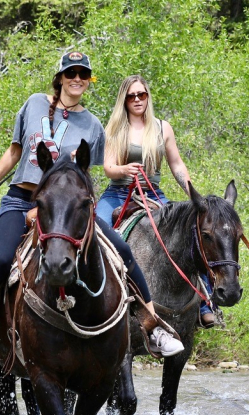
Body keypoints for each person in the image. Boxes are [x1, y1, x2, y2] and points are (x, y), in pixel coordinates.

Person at [0, 53, 184, 369]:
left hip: (65, 209)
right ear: (60, 77)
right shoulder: (34, 104)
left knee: (121, 251)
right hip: (22, 199)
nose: (77, 79)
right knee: (0, 261)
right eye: (71, 73)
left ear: (88, 80)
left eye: (83, 74)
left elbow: (86, 176)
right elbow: (15, 152)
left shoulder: (94, 126)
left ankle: (154, 327)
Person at [96, 75, 215, 328]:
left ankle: (205, 303)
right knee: (95, 232)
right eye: (131, 96)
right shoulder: (116, 128)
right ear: (124, 100)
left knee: (192, 234)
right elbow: (108, 167)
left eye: (142, 94)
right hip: (118, 192)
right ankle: (96, 299)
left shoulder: (162, 128)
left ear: (148, 96)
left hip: (153, 194)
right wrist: (124, 170)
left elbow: (176, 164)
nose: (137, 99)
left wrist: (191, 191)